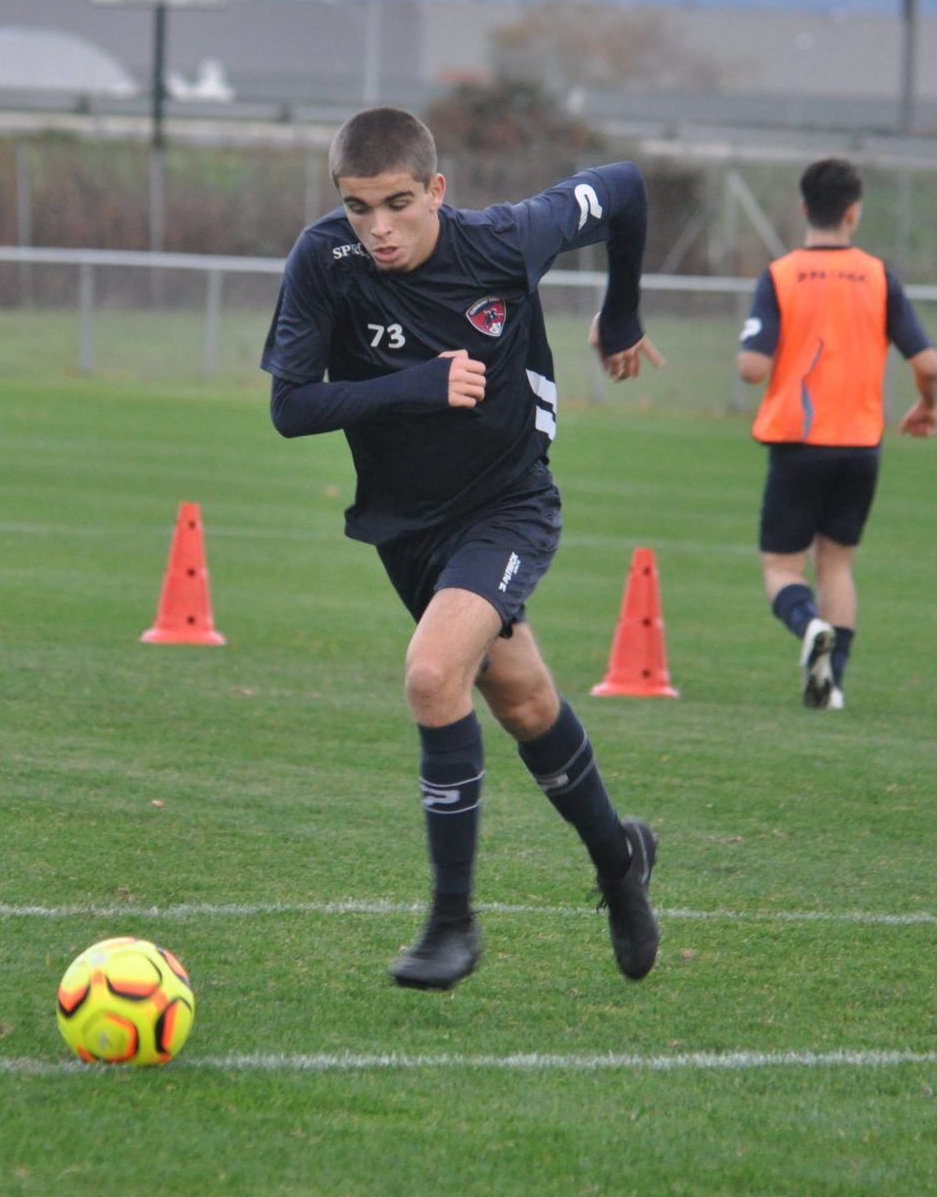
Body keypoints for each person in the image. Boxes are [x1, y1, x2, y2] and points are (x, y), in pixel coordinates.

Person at [261, 106, 665, 992]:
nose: (378, 228)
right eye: (358, 207)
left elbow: (626, 188)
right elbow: (290, 407)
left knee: (431, 674)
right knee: (523, 700)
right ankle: (620, 859)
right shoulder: (323, 261)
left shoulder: (506, 241)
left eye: (398, 204)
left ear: (436, 190)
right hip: (406, 527)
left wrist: (621, 312)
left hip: (507, 505)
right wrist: (419, 384)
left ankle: (452, 924)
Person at [736, 157, 937, 710]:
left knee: (782, 567)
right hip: (860, 446)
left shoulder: (781, 275)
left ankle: (808, 626)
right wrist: (926, 406)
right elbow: (928, 364)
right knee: (837, 564)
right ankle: (832, 687)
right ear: (853, 213)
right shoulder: (878, 277)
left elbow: (752, 368)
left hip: (798, 443)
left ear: (805, 208)